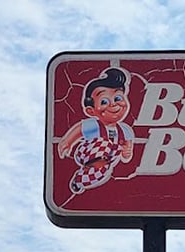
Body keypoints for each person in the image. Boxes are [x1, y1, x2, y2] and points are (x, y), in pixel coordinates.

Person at [57, 66, 134, 194]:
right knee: (105, 144)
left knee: (101, 170)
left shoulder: (125, 130)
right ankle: (89, 167)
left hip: (107, 160)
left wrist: (127, 152)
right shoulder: (94, 125)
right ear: (91, 110)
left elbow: (128, 149)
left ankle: (80, 181)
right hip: (87, 151)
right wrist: (67, 142)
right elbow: (78, 130)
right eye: (104, 101)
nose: (113, 104)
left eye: (118, 98)